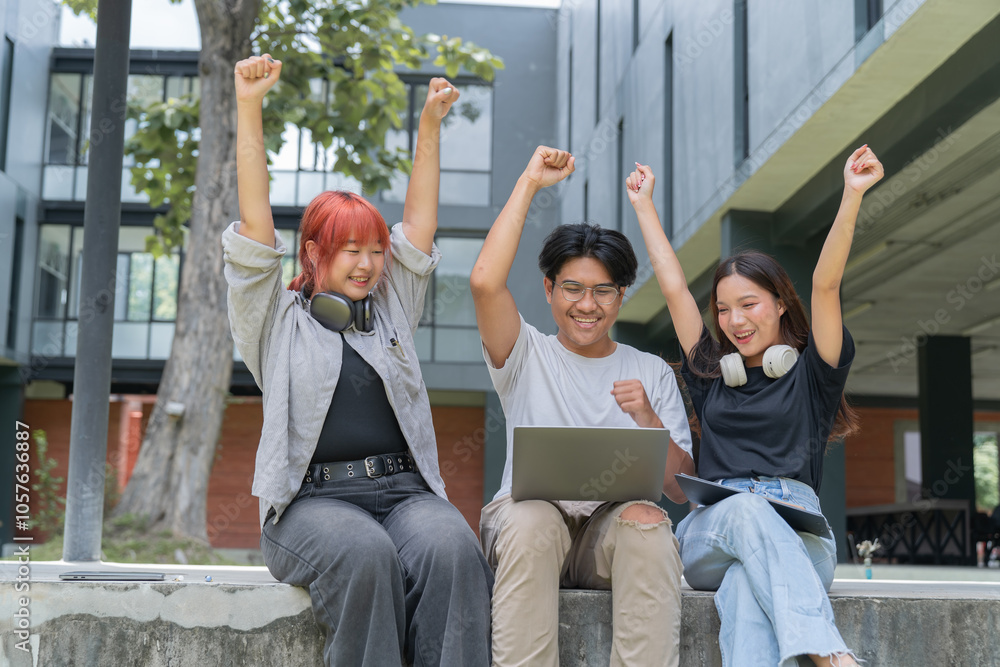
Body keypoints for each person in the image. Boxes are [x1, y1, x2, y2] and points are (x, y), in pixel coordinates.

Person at [224, 54, 492, 667]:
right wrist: (248, 105)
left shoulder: (392, 307)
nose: (369, 264)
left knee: (453, 547)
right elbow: (256, 228)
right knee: (366, 554)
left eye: (375, 251)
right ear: (315, 253)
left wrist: (430, 123)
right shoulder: (275, 319)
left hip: (405, 493)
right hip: (311, 507)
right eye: (351, 251)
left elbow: (420, 224)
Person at [625, 144, 884, 666]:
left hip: (800, 534)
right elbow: (674, 288)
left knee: (745, 591)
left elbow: (826, 283)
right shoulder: (708, 374)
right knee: (743, 508)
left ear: (781, 304)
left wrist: (852, 195)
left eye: (749, 304)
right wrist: (644, 207)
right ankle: (830, 654)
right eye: (723, 309)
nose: (734, 320)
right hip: (714, 531)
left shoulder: (814, 373)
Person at [471, 146, 695, 667]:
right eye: (571, 288)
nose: (586, 305)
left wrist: (647, 420)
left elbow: (679, 490)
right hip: (528, 525)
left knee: (648, 521)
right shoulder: (524, 353)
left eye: (602, 291)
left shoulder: (650, 371)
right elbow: (484, 282)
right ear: (549, 290)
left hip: (606, 533)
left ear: (621, 296)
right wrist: (529, 182)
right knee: (532, 522)